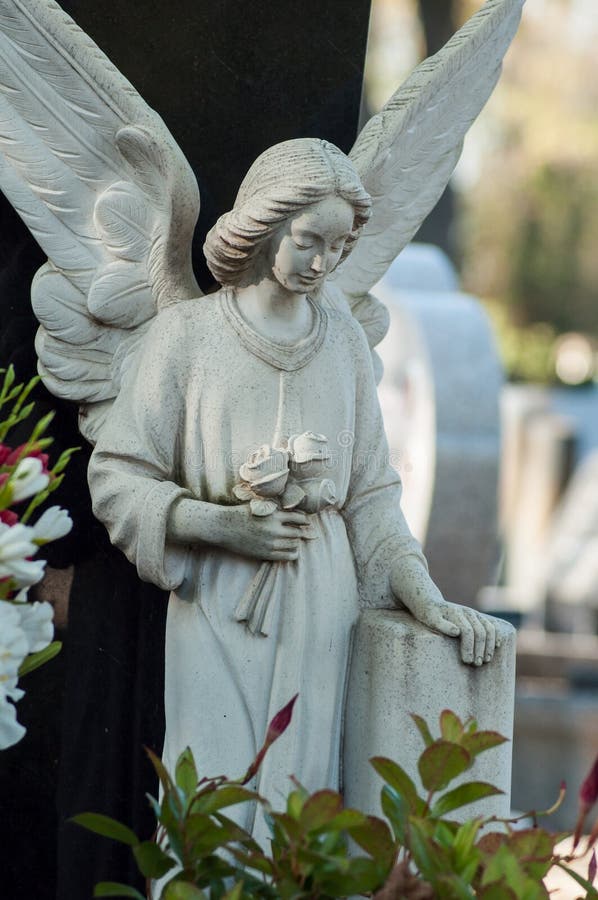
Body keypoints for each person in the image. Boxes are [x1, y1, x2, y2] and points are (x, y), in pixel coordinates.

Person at [88, 138, 497, 843]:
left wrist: (419, 588)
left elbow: (371, 491)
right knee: (211, 784)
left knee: (300, 802)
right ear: (266, 225)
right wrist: (219, 527)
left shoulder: (340, 341)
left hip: (320, 602)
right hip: (218, 599)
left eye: (339, 249)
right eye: (309, 241)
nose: (323, 264)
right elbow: (117, 474)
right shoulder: (187, 337)